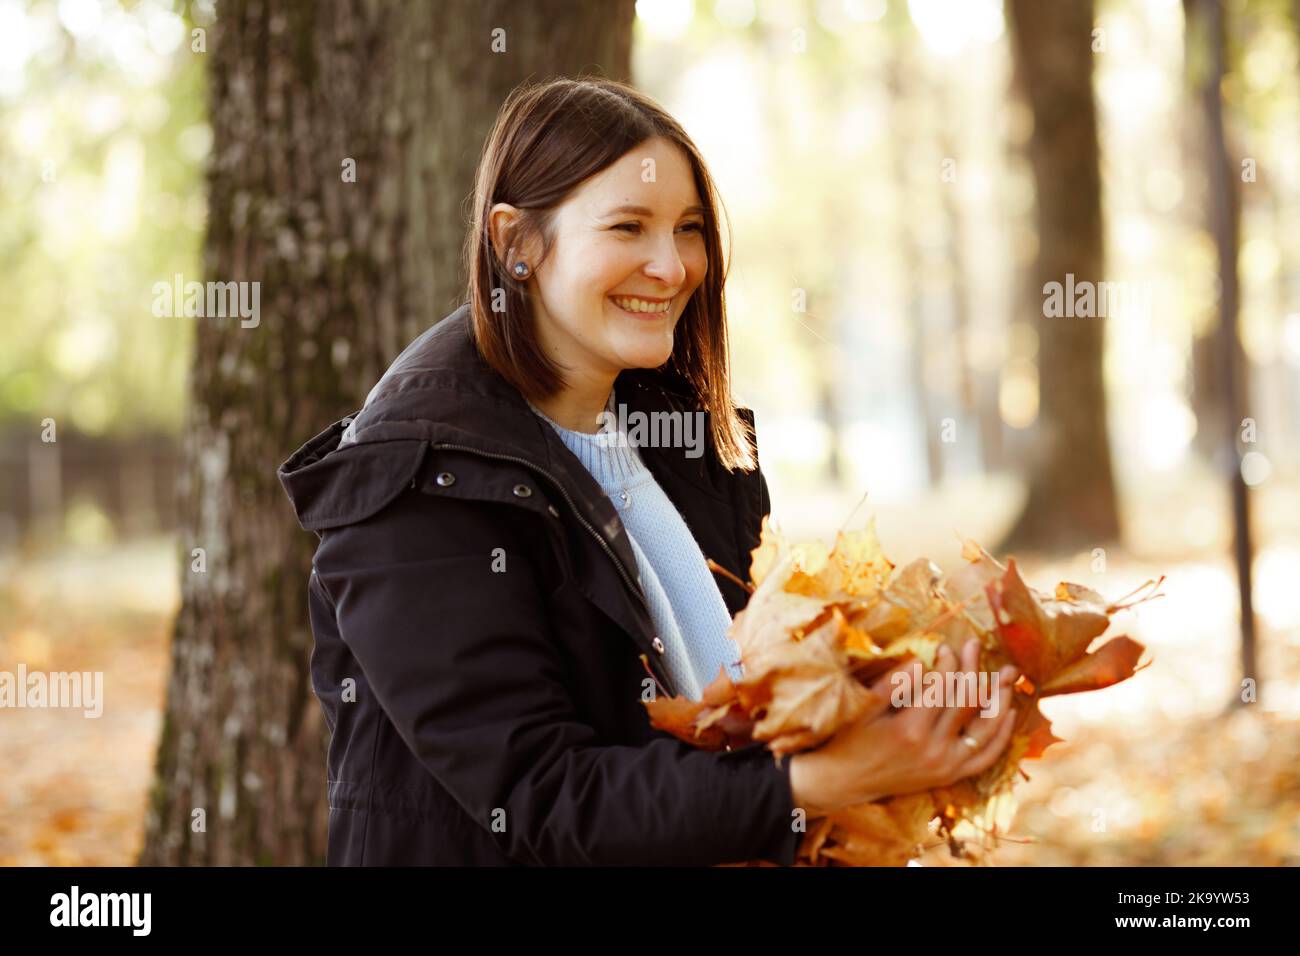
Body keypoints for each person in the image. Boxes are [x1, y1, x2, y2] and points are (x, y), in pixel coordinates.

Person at [278, 75, 1018, 866]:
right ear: (515, 244)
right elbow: (544, 796)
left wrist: (890, 713)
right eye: (628, 227)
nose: (670, 266)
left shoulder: (685, 435)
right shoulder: (422, 479)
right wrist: (812, 784)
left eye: (689, 228)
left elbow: (732, 710)